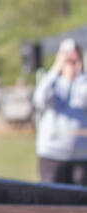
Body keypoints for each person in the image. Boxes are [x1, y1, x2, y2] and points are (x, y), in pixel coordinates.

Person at [32, 38, 87, 184]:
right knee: (51, 201)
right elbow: (39, 98)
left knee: (79, 202)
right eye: (67, 60)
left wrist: (79, 76)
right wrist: (56, 68)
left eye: (73, 60)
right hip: (52, 153)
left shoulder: (83, 83)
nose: (70, 63)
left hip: (81, 155)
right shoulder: (51, 81)